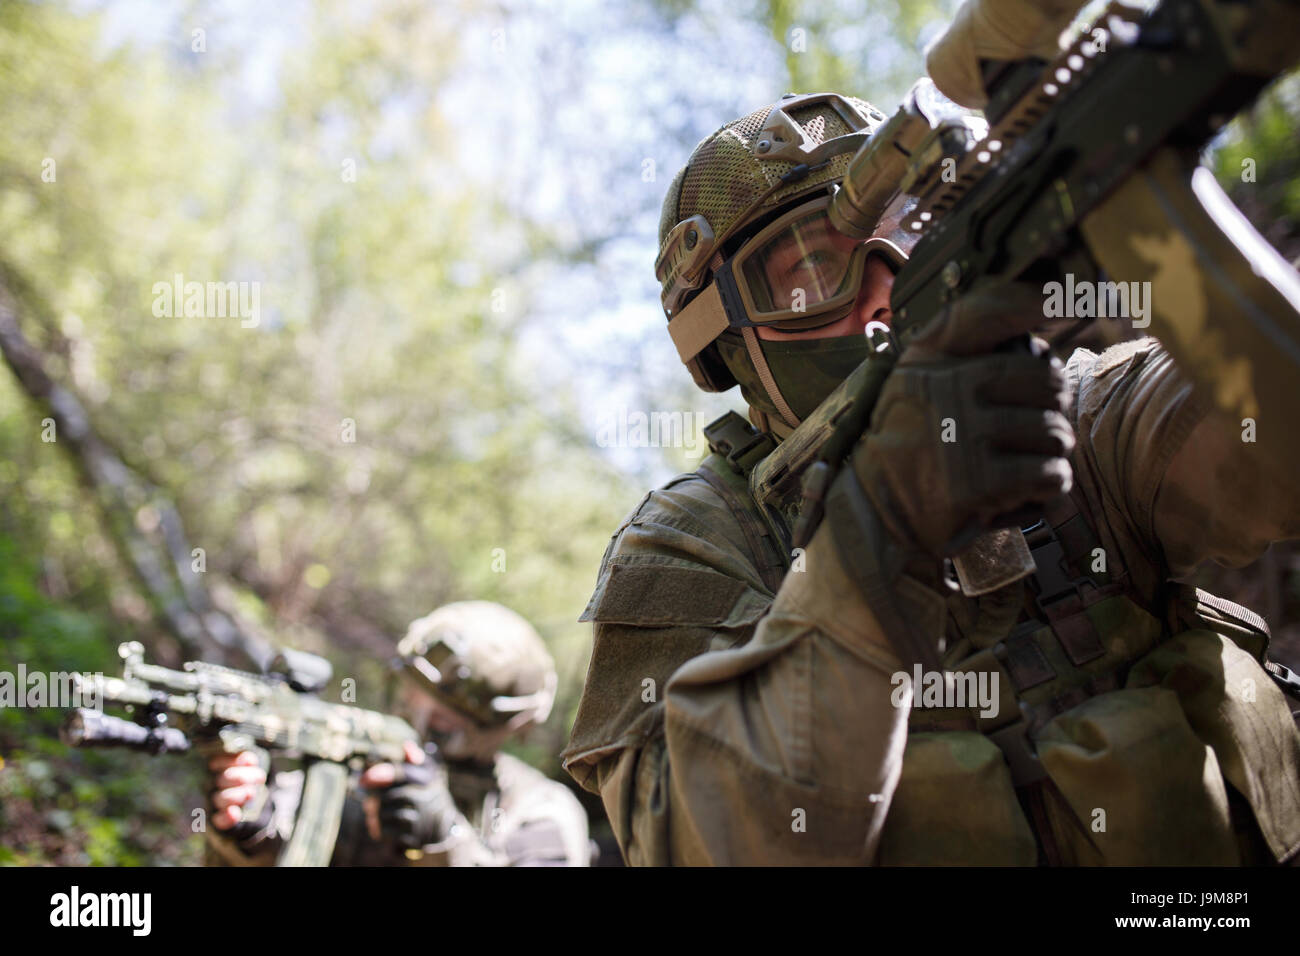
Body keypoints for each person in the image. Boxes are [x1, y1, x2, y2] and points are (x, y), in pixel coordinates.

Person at [561, 90, 1300, 864]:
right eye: (813, 271)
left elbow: (1273, 437)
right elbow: (700, 843)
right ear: (724, 341)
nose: (885, 292)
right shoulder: (692, 548)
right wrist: (877, 541)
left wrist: (1167, 224)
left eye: (908, 235)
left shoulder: (1073, 415)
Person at [206, 601, 592, 866]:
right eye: (406, 701)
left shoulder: (540, 811)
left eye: (443, 726)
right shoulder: (361, 775)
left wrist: (444, 841)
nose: (414, 726)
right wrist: (251, 831)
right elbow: (283, 842)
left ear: (504, 731)